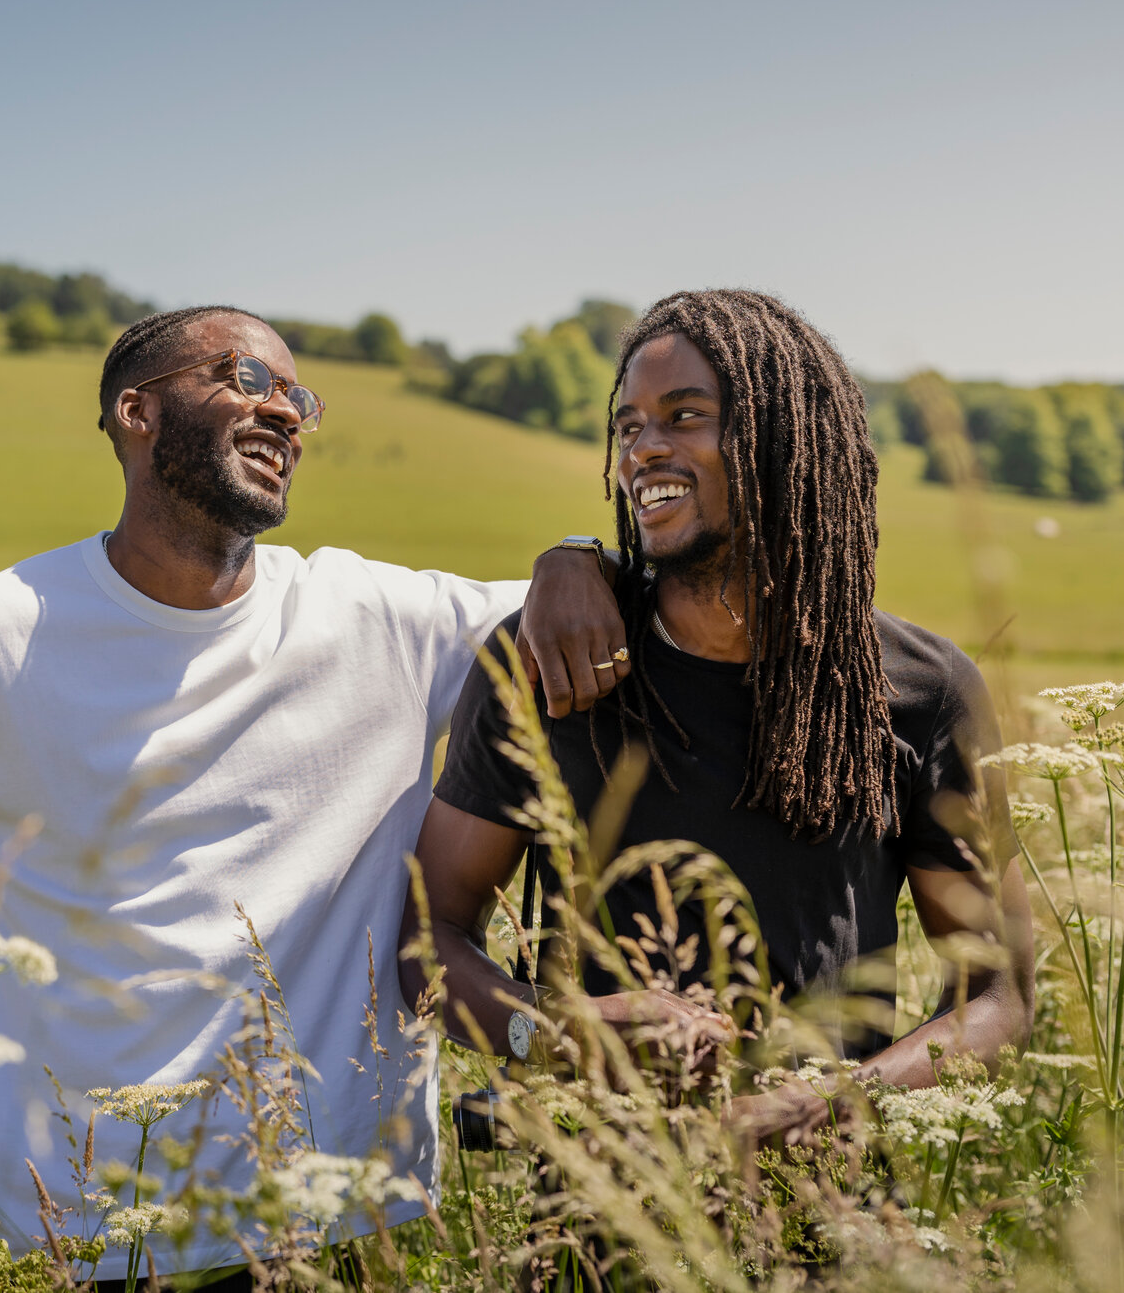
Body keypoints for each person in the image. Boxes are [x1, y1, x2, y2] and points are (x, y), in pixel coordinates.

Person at [0, 305, 623, 1288]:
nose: (285, 412)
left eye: (299, 399)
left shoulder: (380, 619)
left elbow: (613, 614)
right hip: (75, 1237)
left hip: (340, 1231)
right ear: (138, 412)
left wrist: (574, 554)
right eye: (248, 379)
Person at [400, 289, 1034, 1142]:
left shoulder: (923, 690)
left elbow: (999, 995)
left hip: (825, 1205)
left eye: (685, 415)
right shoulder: (547, 660)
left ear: (784, 437)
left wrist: (825, 1106)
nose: (644, 448)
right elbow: (429, 937)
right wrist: (554, 1033)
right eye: (628, 426)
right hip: (593, 1211)